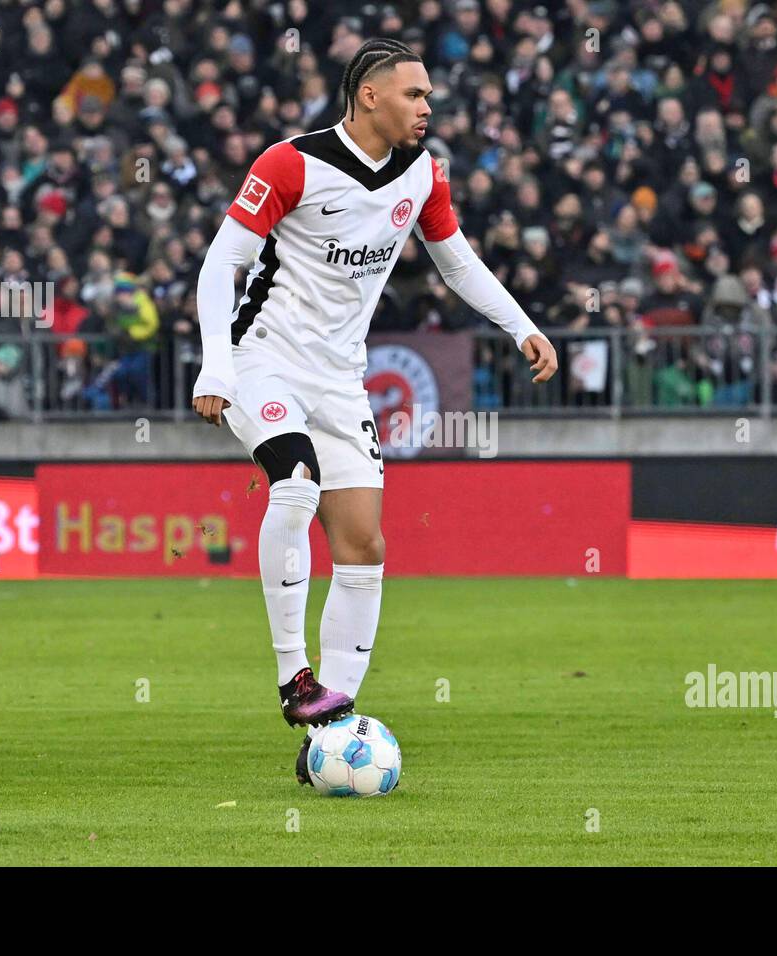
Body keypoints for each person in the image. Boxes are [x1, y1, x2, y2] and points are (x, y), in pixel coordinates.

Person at [190, 38, 558, 787]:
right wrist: (216, 363)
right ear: (370, 96)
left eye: (427, 98)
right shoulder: (290, 163)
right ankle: (295, 677)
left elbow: (455, 260)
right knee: (293, 485)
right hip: (263, 359)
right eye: (415, 95)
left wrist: (520, 324)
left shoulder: (423, 174)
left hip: (340, 380)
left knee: (363, 546)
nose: (427, 108)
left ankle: (332, 724)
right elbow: (221, 263)